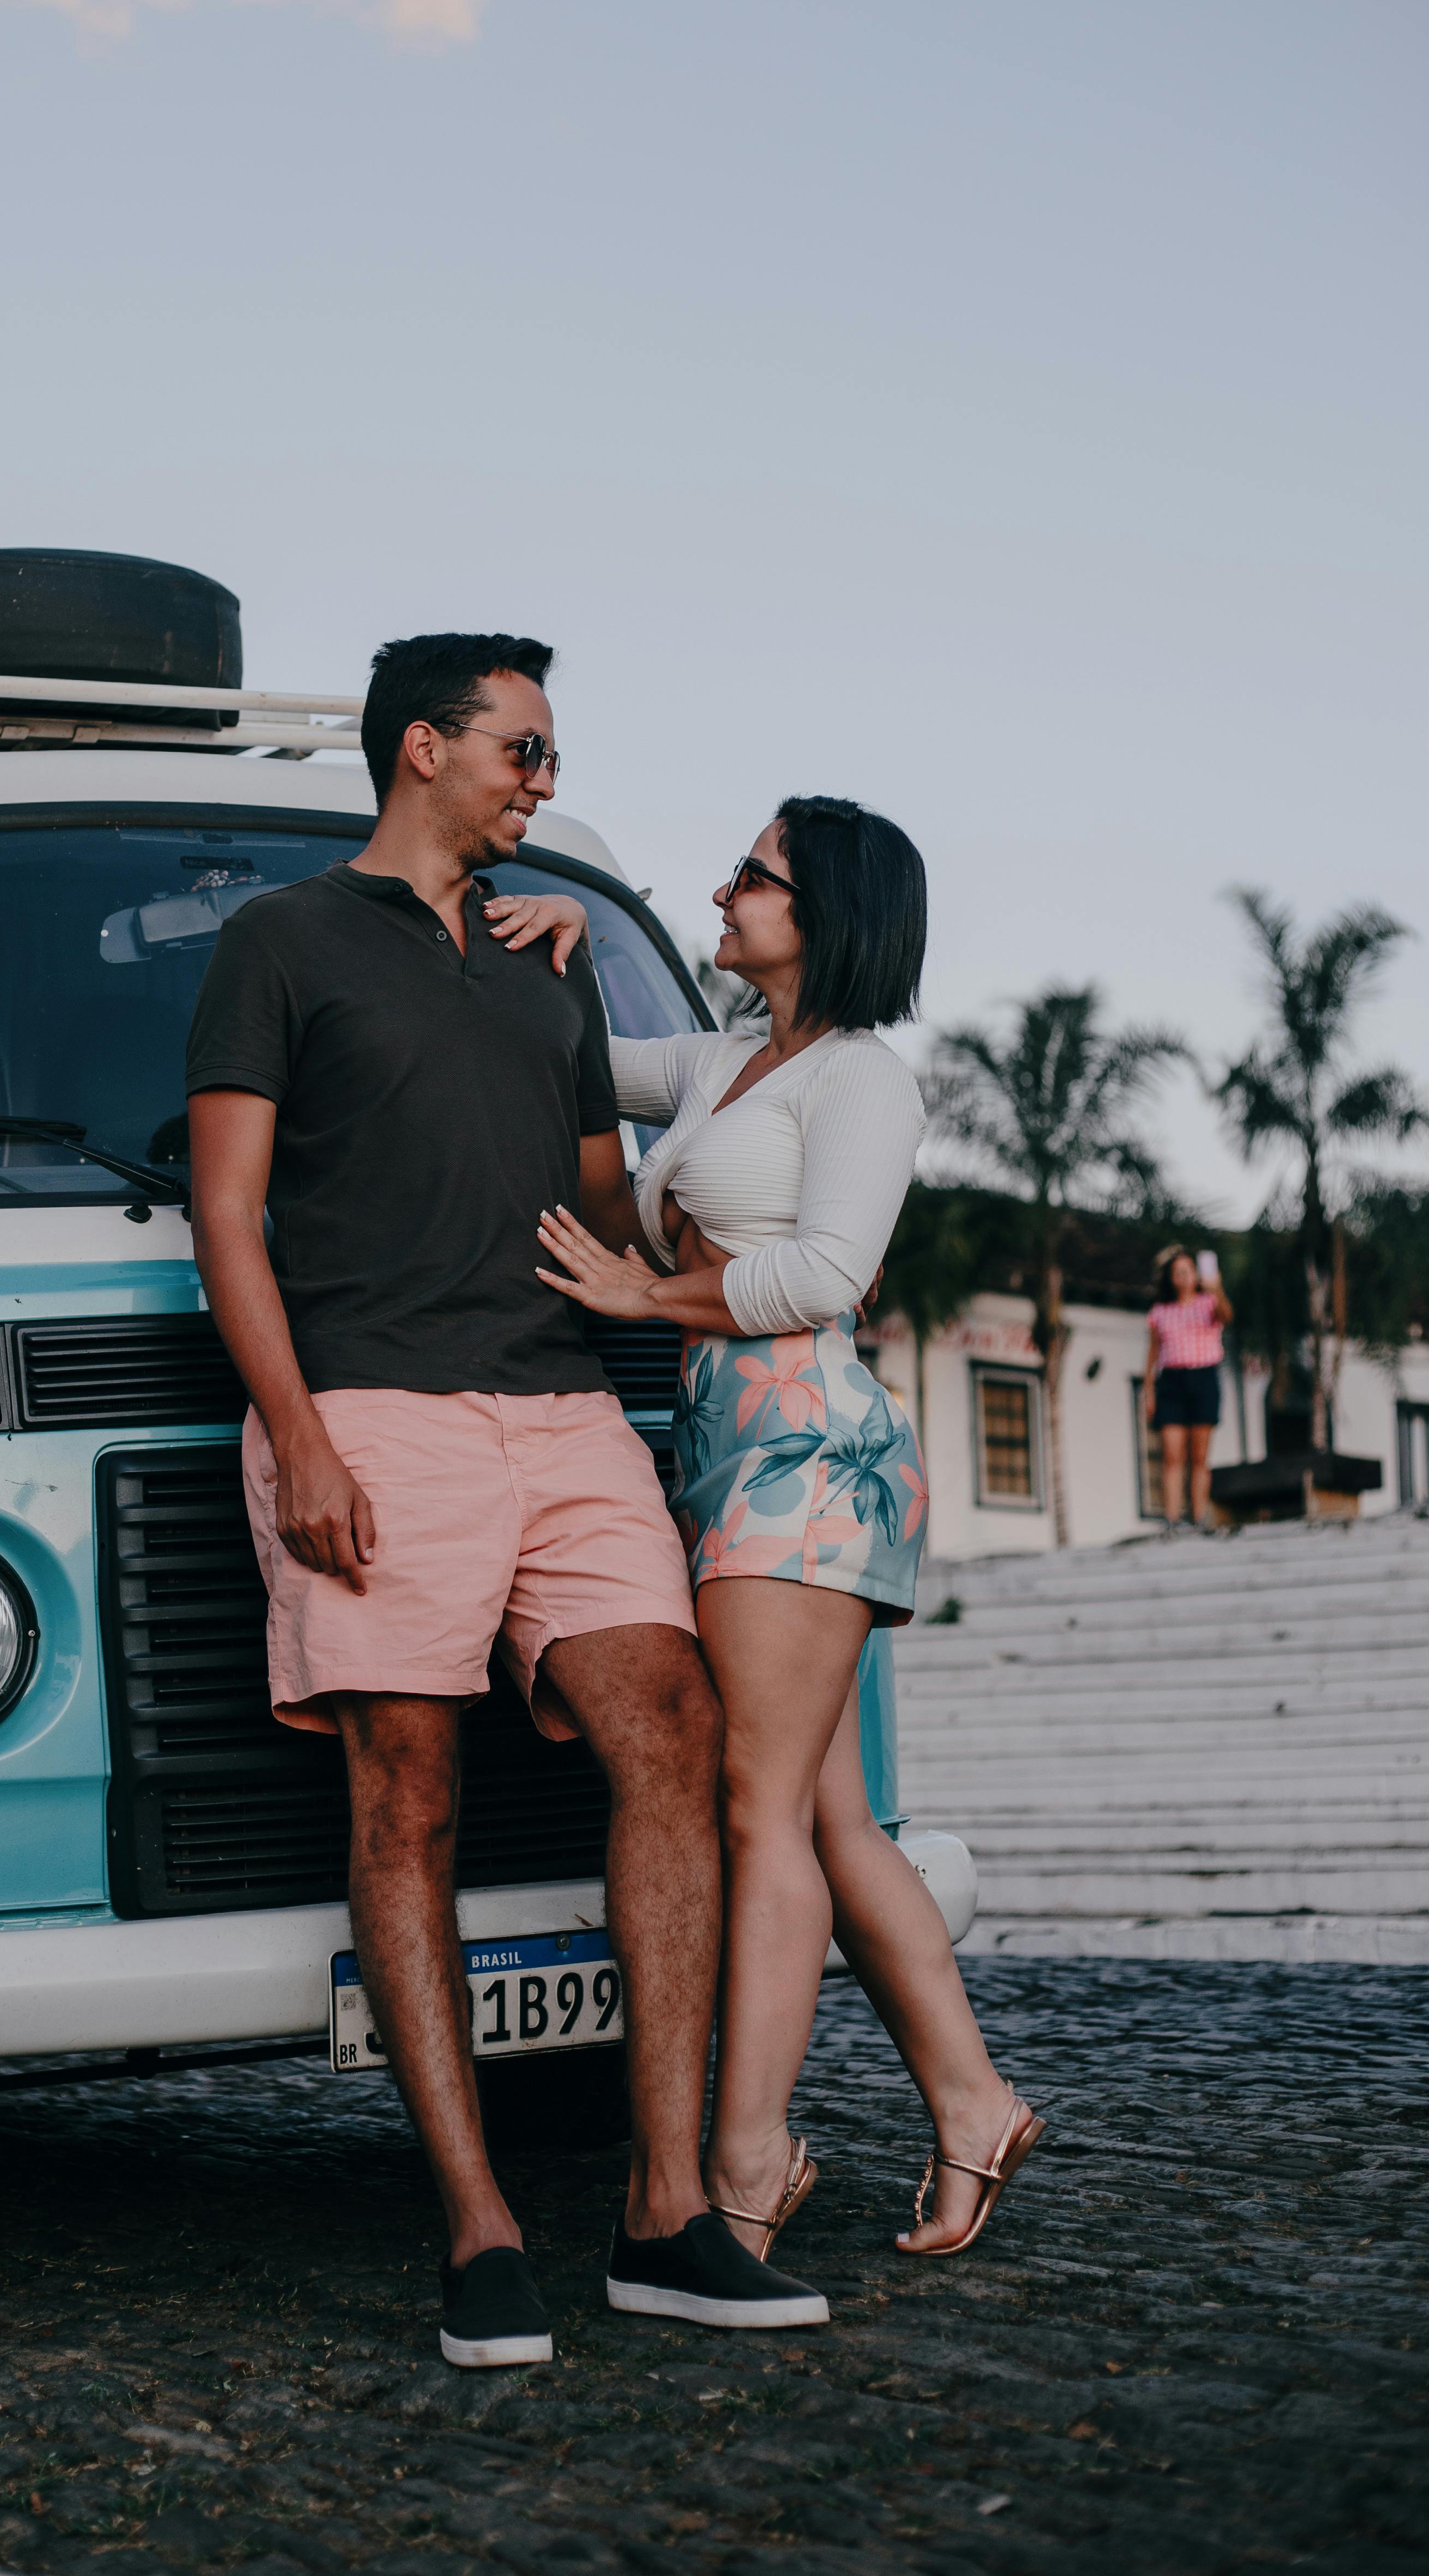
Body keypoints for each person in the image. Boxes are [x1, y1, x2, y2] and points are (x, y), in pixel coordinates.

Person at [185, 634, 833, 2372]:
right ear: (422, 750)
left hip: (560, 1415)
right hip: (373, 1415)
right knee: (408, 1784)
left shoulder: (549, 971)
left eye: (550, 758)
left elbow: (617, 1227)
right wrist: (300, 1436)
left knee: (670, 1726)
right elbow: (227, 1219)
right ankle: (476, 2228)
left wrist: (784, 1244)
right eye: (522, 750)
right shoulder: (281, 942)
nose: (544, 782)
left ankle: (665, 2208)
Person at [494, 800, 1044, 2263]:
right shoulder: (733, 1055)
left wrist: (639, 1295)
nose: (725, 892)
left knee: (758, 1808)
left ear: (832, 913)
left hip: (807, 1446)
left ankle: (746, 2157)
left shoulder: (865, 1081)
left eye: (757, 875)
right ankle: (974, 2105)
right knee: (828, 1817)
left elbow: (824, 1273)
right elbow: (579, 1061)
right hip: (731, 1447)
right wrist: (563, 953)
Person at [1145, 1246, 1232, 1534]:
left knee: (1199, 1456)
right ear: (1171, 1278)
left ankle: (1198, 1516)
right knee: (1172, 1454)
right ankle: (1171, 1518)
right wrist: (1149, 1389)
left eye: (1187, 1271)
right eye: (1177, 1272)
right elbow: (1153, 1353)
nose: (1182, 1276)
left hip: (1203, 1378)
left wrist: (1217, 1289)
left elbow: (1227, 1316)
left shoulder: (1208, 1304)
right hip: (1171, 1380)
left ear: (1196, 1274)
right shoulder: (1160, 1312)